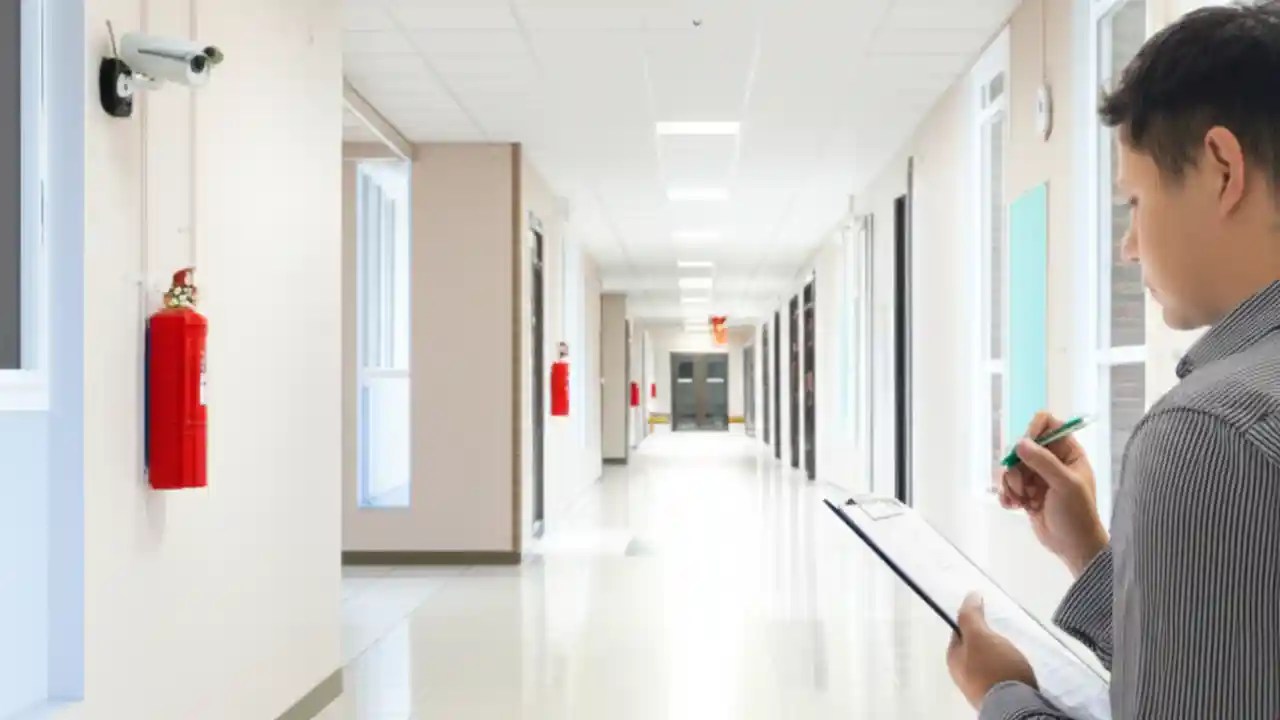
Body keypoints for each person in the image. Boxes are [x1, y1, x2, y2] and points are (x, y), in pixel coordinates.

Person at [945, 3, 1280, 718]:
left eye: (1135, 200)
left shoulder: (1208, 432)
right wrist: (1092, 551)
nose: (1129, 246)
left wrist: (1003, 695)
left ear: (1222, 168)